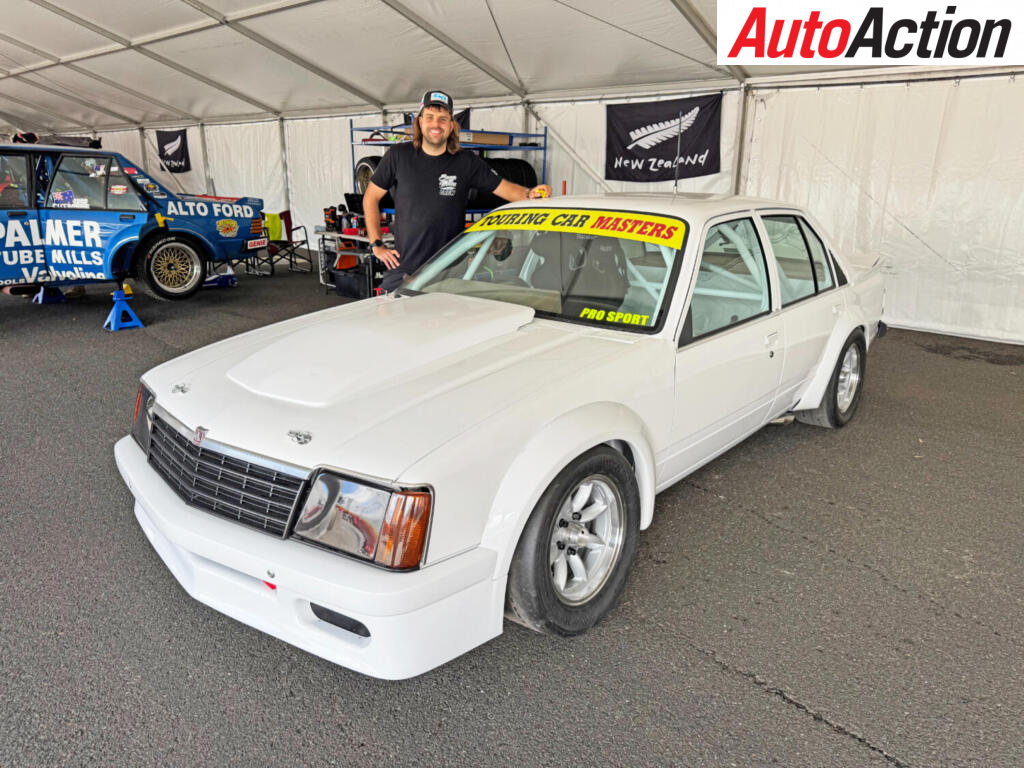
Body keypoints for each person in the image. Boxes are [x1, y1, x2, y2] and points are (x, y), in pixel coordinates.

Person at [363, 89, 552, 293]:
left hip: (450, 273)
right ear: (420, 121)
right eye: (430, 117)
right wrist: (376, 244)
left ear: (452, 125)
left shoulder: (466, 162)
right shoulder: (398, 156)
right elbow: (370, 197)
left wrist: (529, 194)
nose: (436, 124)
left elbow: (505, 189)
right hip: (406, 271)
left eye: (443, 119)